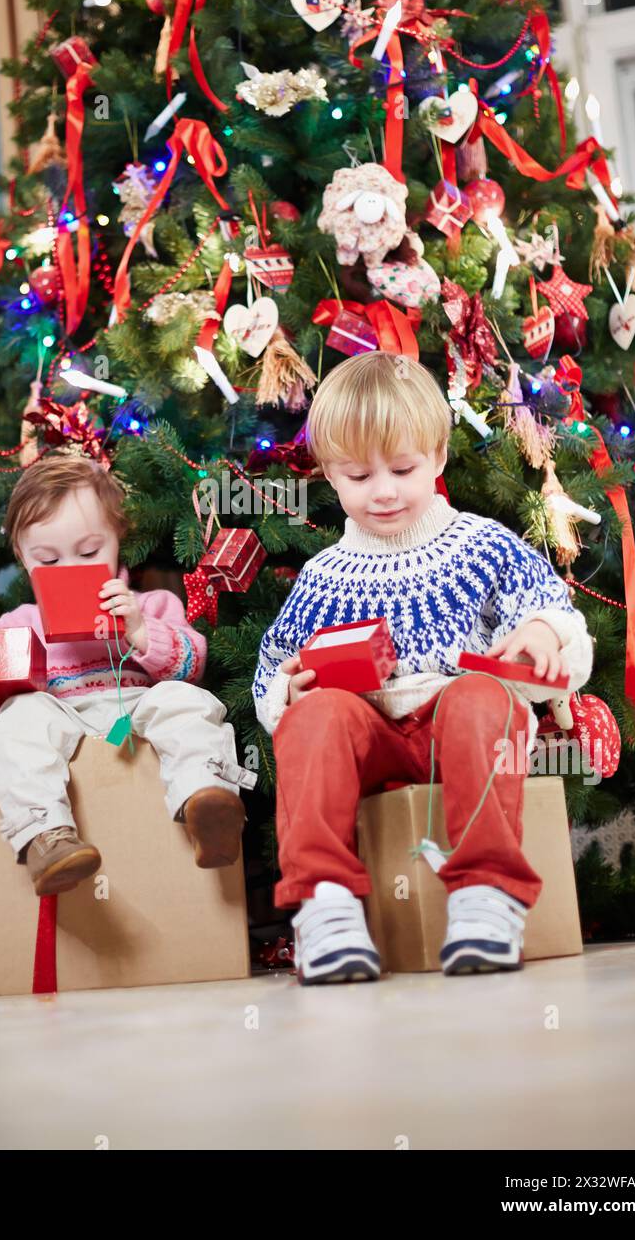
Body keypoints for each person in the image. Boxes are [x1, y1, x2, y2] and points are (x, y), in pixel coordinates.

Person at [252, 352, 594, 984]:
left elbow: (555, 611)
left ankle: (486, 895)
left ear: (436, 459)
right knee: (314, 714)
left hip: (459, 722)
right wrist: (287, 689)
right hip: (373, 739)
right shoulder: (323, 578)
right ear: (329, 475)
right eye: (358, 475)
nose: (383, 490)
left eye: (403, 469)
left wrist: (544, 633)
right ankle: (327, 905)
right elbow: (272, 668)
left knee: (481, 697)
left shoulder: (482, 544)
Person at [0, 450, 253, 896]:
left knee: (185, 702)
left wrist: (139, 630)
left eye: (90, 551)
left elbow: (192, 665)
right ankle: (45, 837)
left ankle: (206, 800)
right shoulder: (20, 621)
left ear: (118, 538)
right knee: (14, 719)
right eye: (48, 561)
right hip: (59, 717)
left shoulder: (149, 605)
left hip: (134, 711)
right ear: (22, 556)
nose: (71, 568)